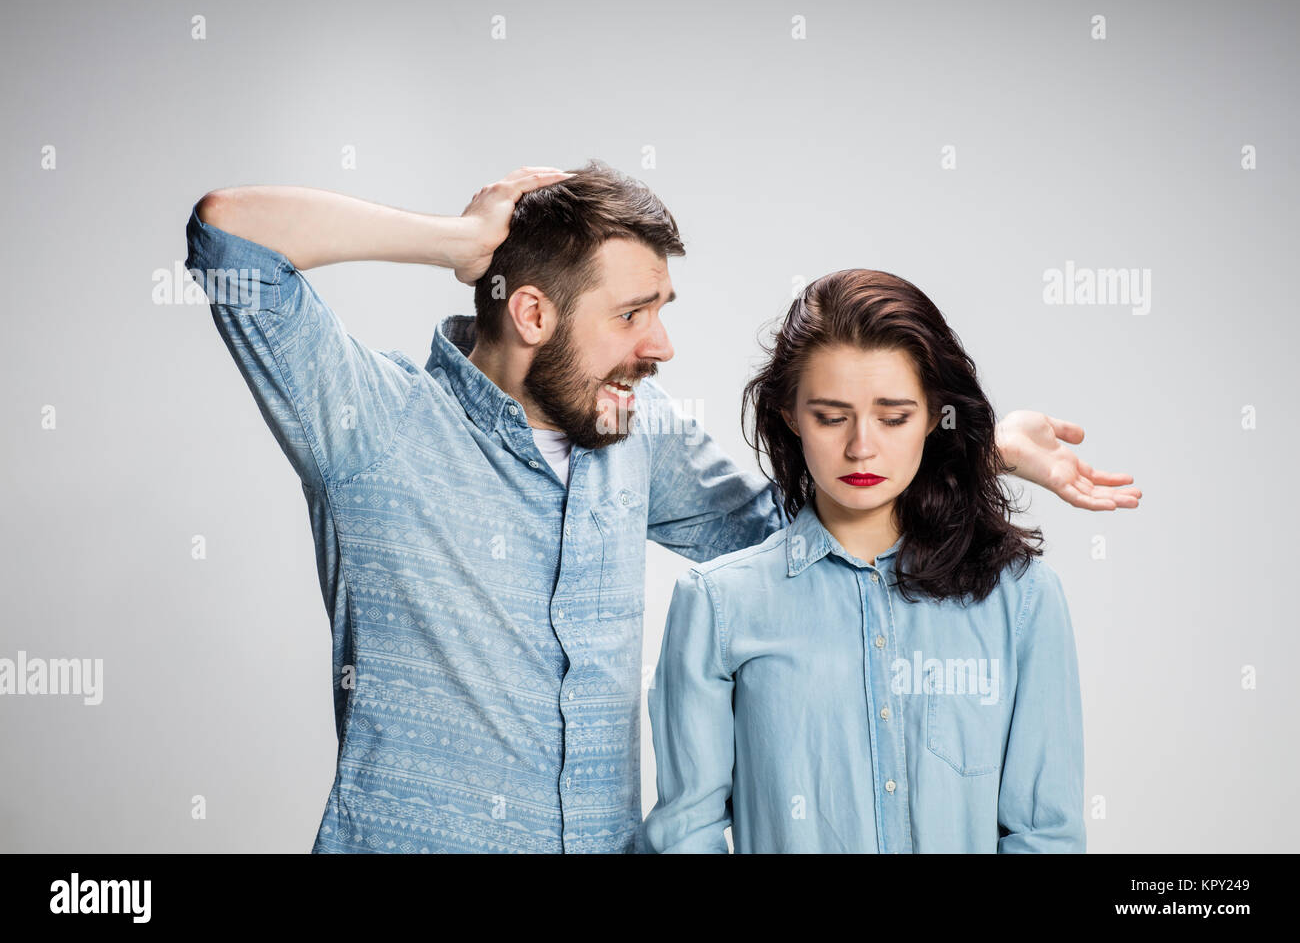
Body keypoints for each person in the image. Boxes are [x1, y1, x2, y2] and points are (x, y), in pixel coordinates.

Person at [184, 165, 1137, 853]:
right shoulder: (372, 423)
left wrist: (971, 443)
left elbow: (807, 534)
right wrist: (457, 244)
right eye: (634, 313)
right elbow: (231, 236)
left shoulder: (633, 440)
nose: (664, 345)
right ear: (531, 315)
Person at [642, 268, 1091, 853]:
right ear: (789, 415)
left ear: (934, 416)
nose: (860, 446)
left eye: (894, 417)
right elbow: (685, 838)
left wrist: (981, 454)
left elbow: (1046, 836)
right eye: (831, 417)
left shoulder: (1022, 597)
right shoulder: (718, 604)